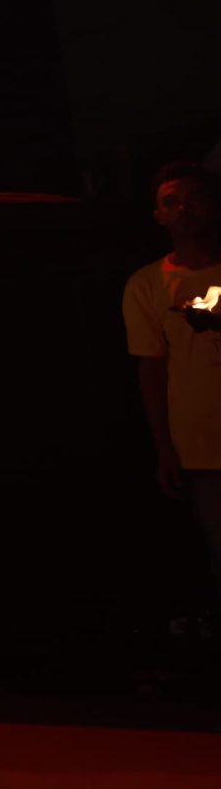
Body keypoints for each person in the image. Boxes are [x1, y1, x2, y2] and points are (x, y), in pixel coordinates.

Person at [126, 162, 221, 606]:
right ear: (159, 216)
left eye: (194, 197)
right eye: (171, 201)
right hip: (202, 448)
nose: (184, 209)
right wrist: (164, 448)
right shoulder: (147, 285)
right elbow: (151, 369)